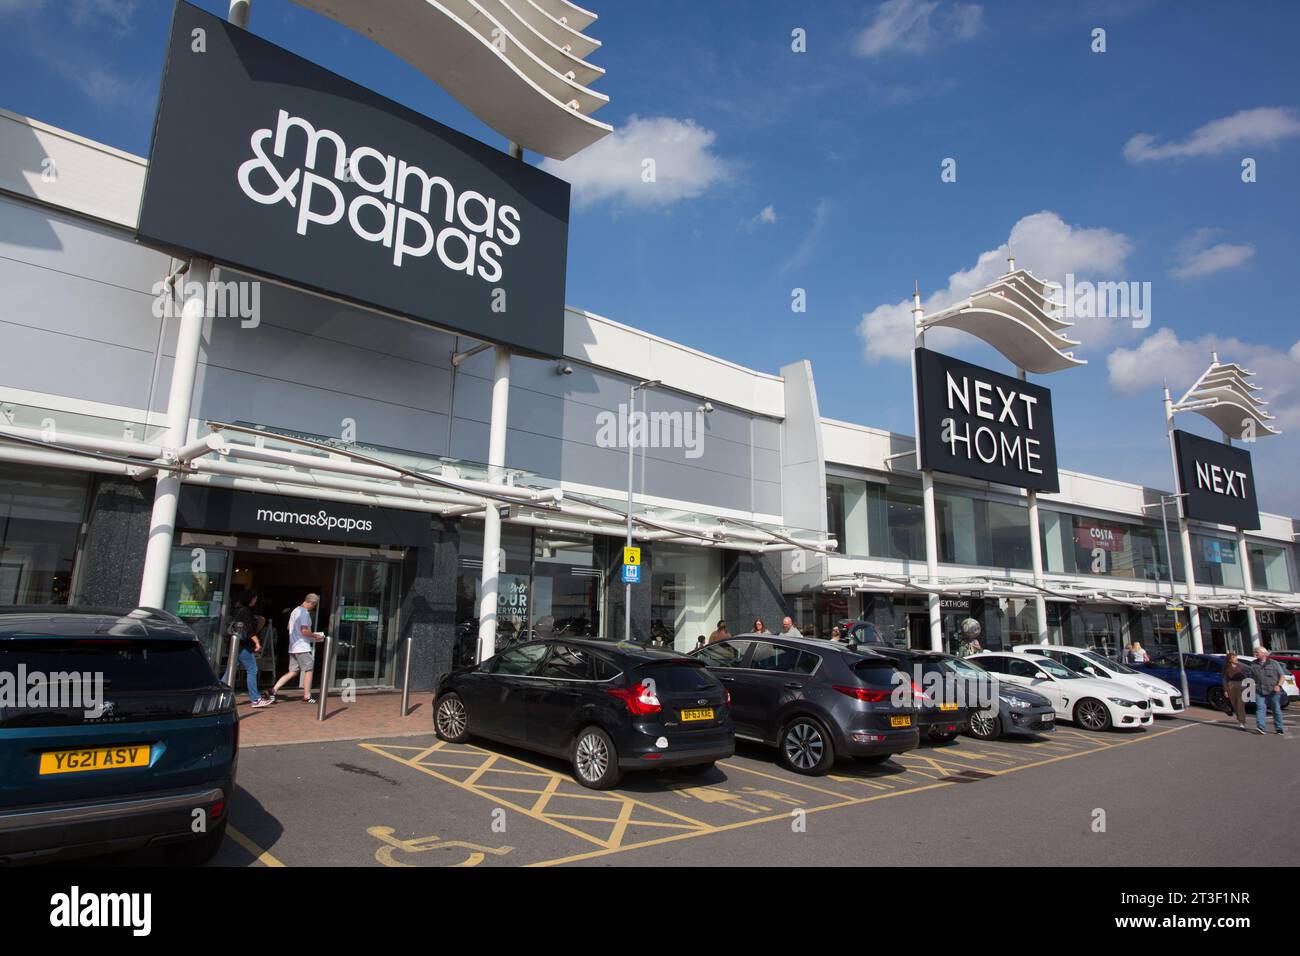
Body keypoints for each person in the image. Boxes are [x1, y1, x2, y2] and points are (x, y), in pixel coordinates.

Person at [270, 593, 326, 704]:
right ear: (311, 603)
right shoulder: (304, 613)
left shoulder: (295, 611)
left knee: (293, 671)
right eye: (314, 605)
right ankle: (307, 696)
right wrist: (316, 636)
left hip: (293, 646)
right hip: (302, 647)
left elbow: (289, 627)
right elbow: (304, 631)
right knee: (309, 670)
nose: (313, 607)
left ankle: (274, 689)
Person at [231, 590, 272, 708]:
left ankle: (219, 693)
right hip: (244, 645)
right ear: (251, 599)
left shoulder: (237, 609)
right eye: (255, 598)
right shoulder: (246, 611)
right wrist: (257, 642)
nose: (256, 600)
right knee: (252, 669)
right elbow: (248, 629)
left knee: (231, 671)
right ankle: (255, 698)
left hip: (236, 644)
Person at [1248, 645, 1288, 735]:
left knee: (1276, 709)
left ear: (1264, 653)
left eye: (1257, 652)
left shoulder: (1274, 663)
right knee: (1260, 708)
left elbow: (1282, 676)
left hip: (1273, 690)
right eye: (1255, 652)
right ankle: (1260, 727)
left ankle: (1279, 728)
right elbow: (1251, 676)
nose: (1255, 654)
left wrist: (1279, 686)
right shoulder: (1253, 664)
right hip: (1260, 690)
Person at [1222, 651, 1248, 729]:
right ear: (1230, 659)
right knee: (1235, 704)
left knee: (1240, 704)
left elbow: (1244, 676)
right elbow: (1224, 679)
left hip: (1241, 685)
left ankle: (1242, 722)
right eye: (1233, 657)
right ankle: (1239, 719)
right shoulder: (1226, 667)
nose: (1235, 658)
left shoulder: (1240, 666)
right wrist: (1225, 690)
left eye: (1235, 656)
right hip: (1231, 685)